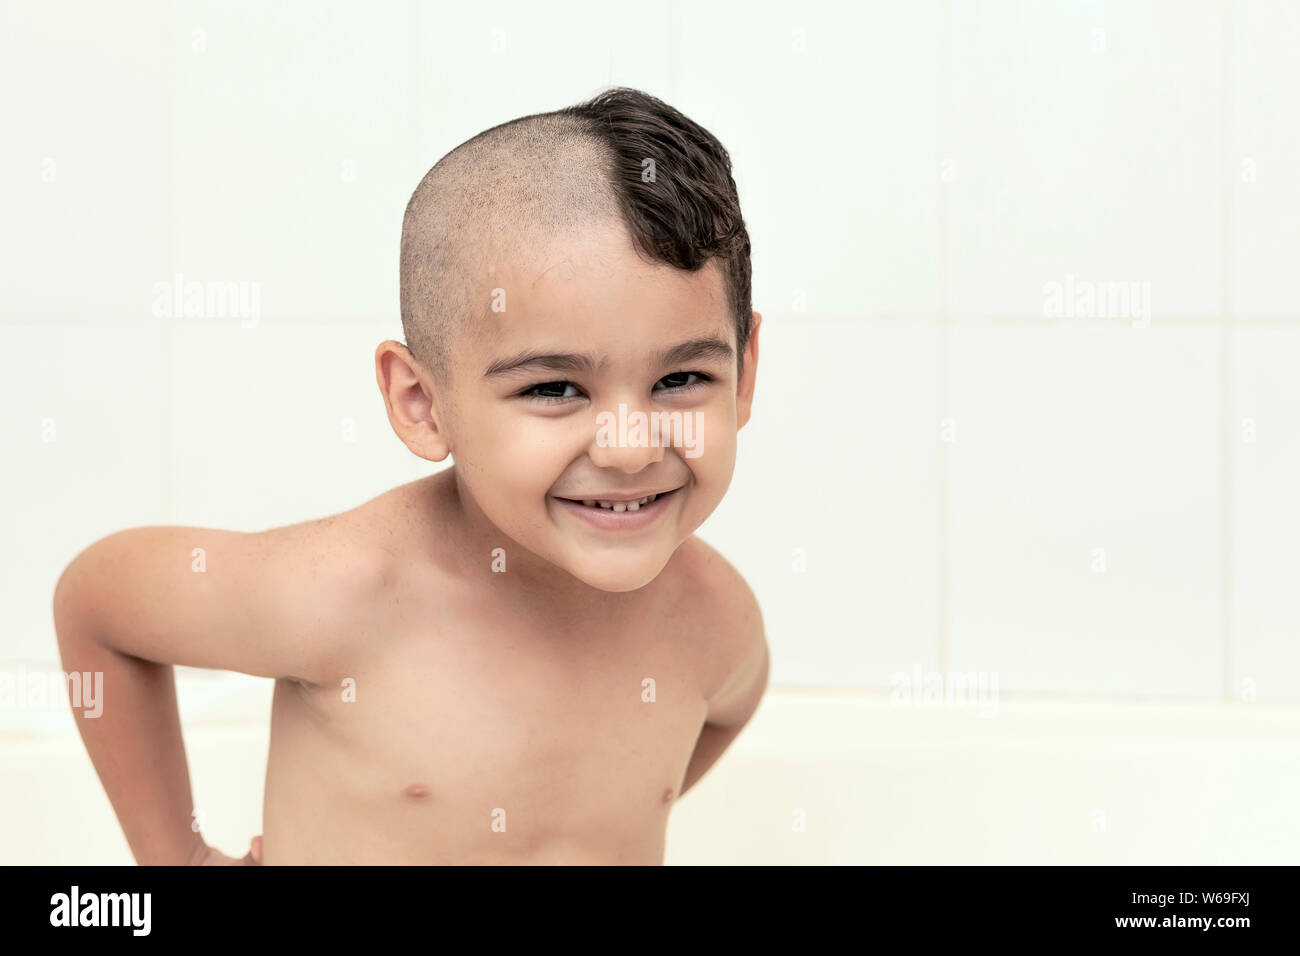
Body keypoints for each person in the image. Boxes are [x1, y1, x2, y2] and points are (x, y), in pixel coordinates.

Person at [53, 86, 769, 865]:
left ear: (744, 374)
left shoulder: (713, 619)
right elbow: (97, 606)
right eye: (555, 389)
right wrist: (177, 858)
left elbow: (730, 706)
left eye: (680, 379)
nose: (631, 447)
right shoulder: (342, 595)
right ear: (422, 403)